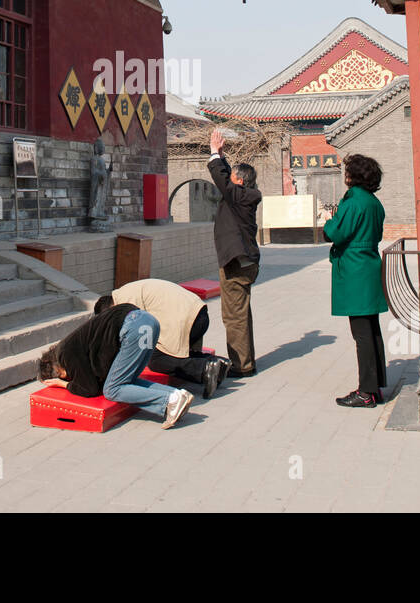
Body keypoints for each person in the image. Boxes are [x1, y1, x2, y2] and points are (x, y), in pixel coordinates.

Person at [37, 302, 194, 428]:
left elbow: (89, 388)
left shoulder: (65, 353)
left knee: (112, 390)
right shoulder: (73, 344)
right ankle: (177, 395)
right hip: (147, 321)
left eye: (62, 376)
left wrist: (63, 385)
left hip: (132, 327)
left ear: (59, 371)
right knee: (126, 381)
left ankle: (169, 401)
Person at [323, 154, 389, 408]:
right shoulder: (374, 202)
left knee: (361, 334)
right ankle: (375, 386)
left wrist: (330, 219)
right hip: (369, 265)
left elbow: (335, 232)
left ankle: (366, 391)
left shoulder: (353, 202)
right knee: (372, 331)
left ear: (354, 176)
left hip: (355, 269)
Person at [94, 278, 230, 397]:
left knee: (156, 360)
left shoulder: (124, 302)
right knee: (172, 353)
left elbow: (137, 339)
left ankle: (205, 368)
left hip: (189, 321)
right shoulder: (127, 292)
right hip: (199, 315)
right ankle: (218, 363)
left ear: (109, 311)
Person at [207, 128, 261, 379]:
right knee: (241, 312)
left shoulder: (238, 196)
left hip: (237, 264)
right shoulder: (243, 194)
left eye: (234, 178)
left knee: (234, 315)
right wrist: (224, 158)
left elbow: (222, 180)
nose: (231, 180)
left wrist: (214, 153)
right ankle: (245, 360)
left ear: (240, 181)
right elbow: (227, 179)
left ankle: (241, 365)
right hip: (245, 261)